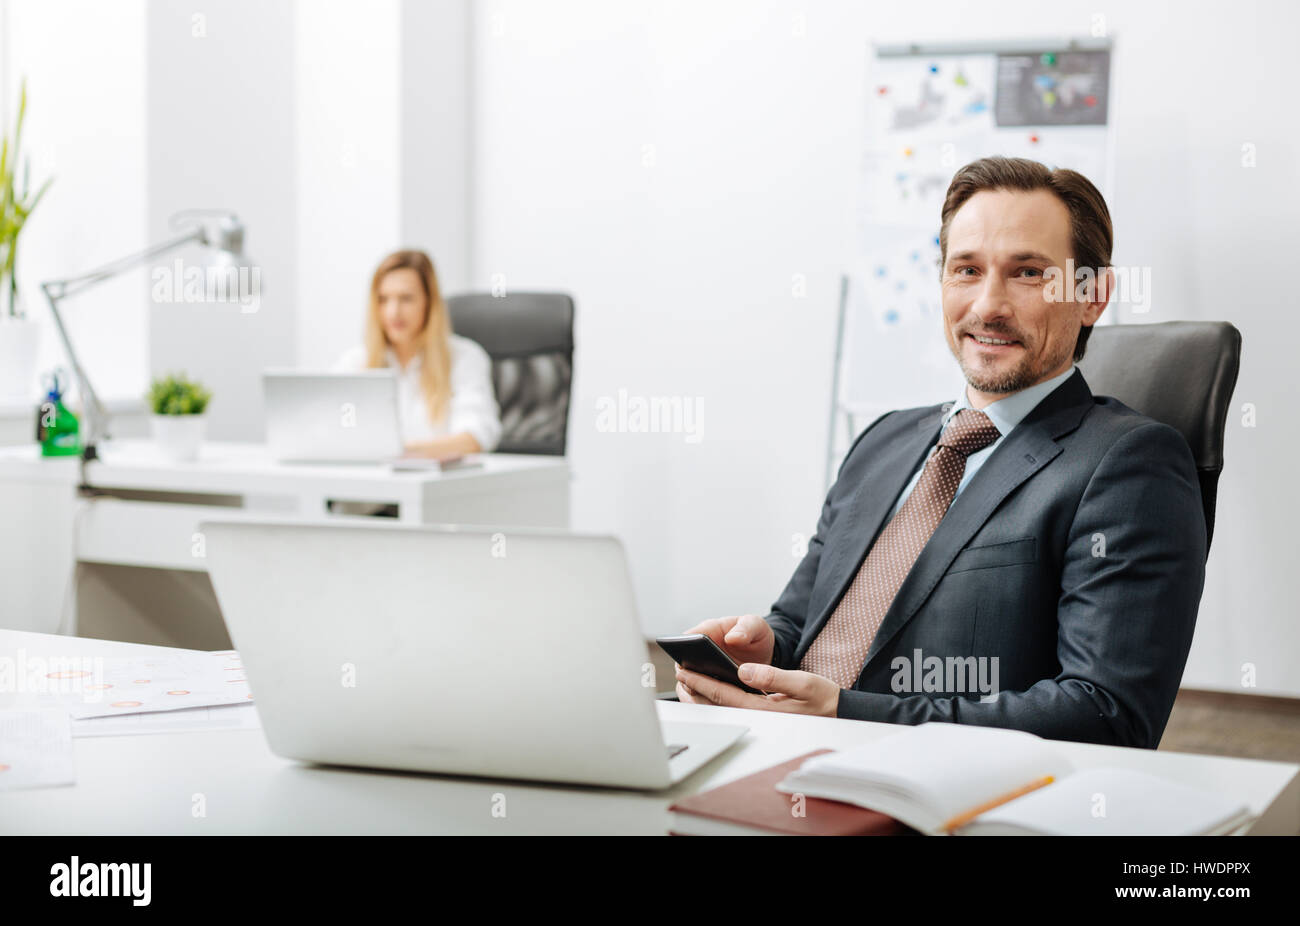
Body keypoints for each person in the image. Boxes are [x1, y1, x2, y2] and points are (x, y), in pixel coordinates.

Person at [674, 156, 1207, 749]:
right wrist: (761, 649)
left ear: (1093, 297)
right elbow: (799, 621)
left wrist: (848, 714)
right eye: (966, 270)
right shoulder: (884, 441)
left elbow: (1106, 714)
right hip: (770, 746)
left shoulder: (1129, 464)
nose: (987, 306)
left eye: (1028, 273)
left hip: (927, 791)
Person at [334, 249, 501, 458]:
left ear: (429, 303)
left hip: (439, 486)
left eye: (406, 299)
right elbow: (332, 431)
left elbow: (475, 438)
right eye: (383, 299)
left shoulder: (465, 358)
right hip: (372, 485)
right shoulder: (355, 362)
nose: (393, 311)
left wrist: (400, 453)